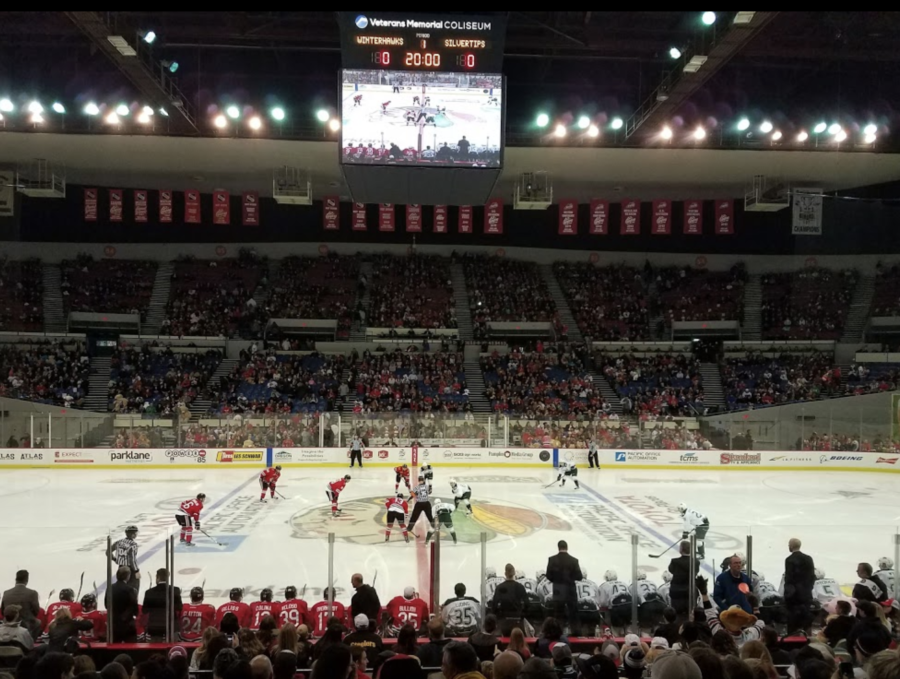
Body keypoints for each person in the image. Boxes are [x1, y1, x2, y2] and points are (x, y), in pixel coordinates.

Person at [546, 540, 582, 635]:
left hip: (558, 590)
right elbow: (579, 576)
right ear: (567, 547)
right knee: (573, 613)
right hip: (570, 590)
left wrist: (557, 581)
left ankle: (557, 633)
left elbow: (548, 575)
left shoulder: (552, 559)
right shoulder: (574, 560)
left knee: (558, 614)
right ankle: (576, 634)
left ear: (558, 548)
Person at [784, 538, 816, 633]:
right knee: (806, 620)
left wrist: (788, 596)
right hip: (806, 594)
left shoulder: (789, 560)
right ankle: (807, 638)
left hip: (794, 597)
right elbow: (812, 576)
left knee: (793, 621)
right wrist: (808, 589)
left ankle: (792, 640)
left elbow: (789, 578)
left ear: (791, 546)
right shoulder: (808, 558)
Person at [142, 568, 183, 640]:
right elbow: (179, 607)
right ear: (168, 577)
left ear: (157, 577)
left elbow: (144, 610)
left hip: (155, 627)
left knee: (156, 649)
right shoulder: (175, 590)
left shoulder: (149, 592)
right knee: (172, 648)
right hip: (171, 625)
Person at [1, 570, 41, 639]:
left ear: (16, 579)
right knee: (38, 622)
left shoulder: (6, 593)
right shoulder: (32, 593)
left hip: (7, 623)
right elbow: (36, 611)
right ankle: (31, 642)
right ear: (27, 579)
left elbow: (2, 610)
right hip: (26, 624)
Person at [491, 565, 528, 636]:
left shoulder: (500, 587)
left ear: (505, 574)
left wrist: (500, 616)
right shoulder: (520, 587)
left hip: (504, 621)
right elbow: (527, 604)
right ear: (514, 573)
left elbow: (494, 606)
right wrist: (521, 615)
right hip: (518, 620)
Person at [109, 566, 139, 642]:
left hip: (114, 623)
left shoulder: (110, 588)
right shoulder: (130, 589)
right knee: (131, 648)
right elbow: (134, 608)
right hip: (127, 624)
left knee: (114, 648)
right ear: (128, 576)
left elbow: (107, 605)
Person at [668, 541, 696, 618]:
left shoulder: (675, 561)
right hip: (689, 589)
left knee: (676, 612)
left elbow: (671, 570)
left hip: (676, 590)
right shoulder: (695, 562)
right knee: (688, 611)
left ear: (681, 549)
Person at [109, 526, 141, 593]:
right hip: (130, 569)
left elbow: (108, 552)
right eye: (135, 533)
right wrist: (136, 571)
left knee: (121, 586)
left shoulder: (119, 542)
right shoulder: (133, 545)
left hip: (121, 568)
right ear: (133, 534)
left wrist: (115, 559)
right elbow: (132, 559)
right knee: (133, 589)